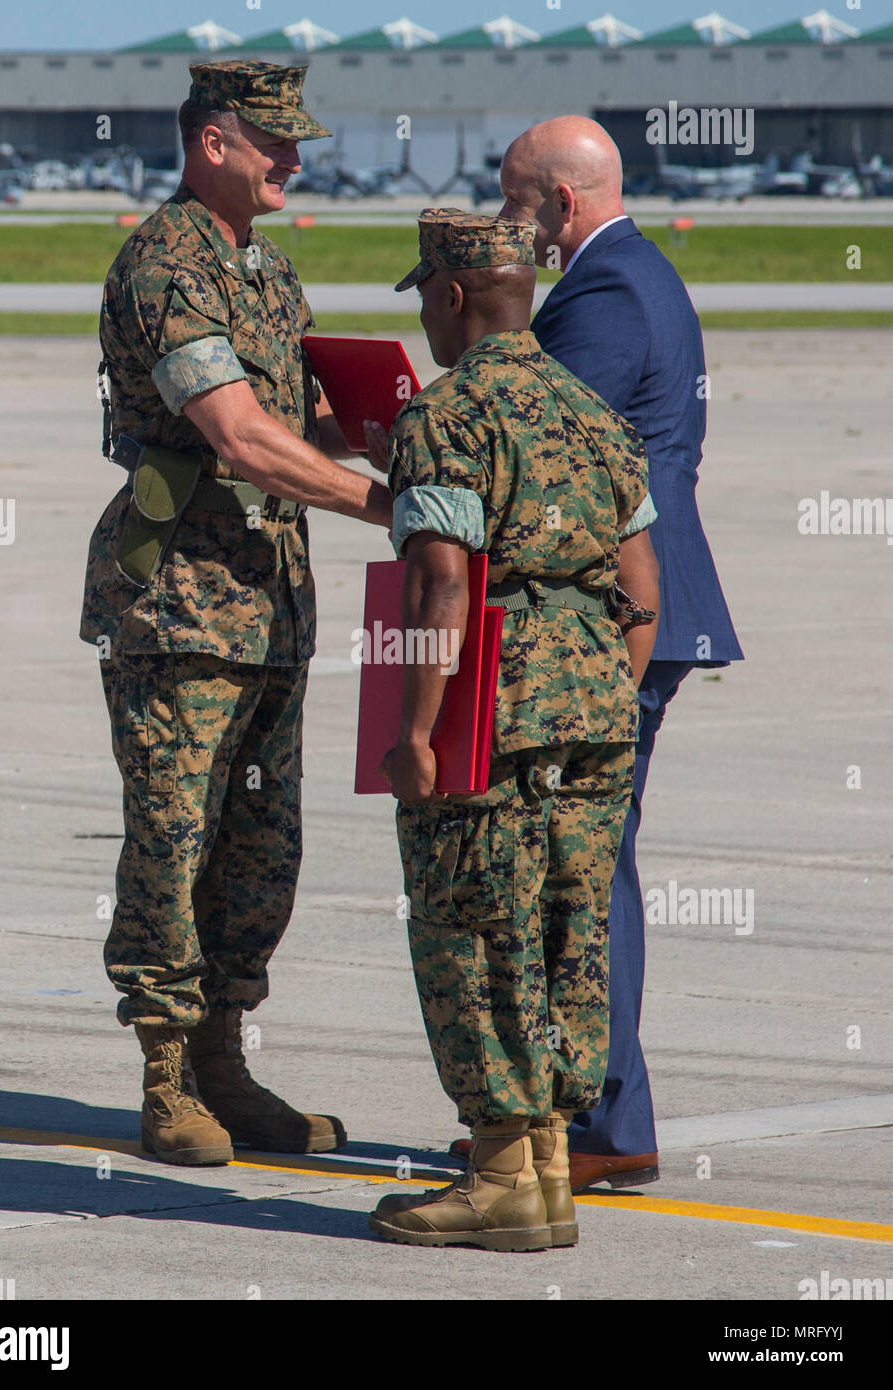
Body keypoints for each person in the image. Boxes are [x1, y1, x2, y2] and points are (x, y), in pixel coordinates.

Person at [80, 59, 392, 1166]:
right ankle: (167, 1073)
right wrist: (394, 504)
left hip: (266, 604)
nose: (296, 162)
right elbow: (242, 434)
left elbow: (301, 412)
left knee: (260, 848)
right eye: (276, 144)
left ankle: (225, 1055)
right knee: (174, 839)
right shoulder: (168, 263)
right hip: (179, 605)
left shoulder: (262, 267)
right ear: (213, 143)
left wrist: (411, 426)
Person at [363, 209, 659, 1250]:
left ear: (450, 299)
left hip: (497, 709)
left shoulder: (447, 414)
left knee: (476, 930)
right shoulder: (595, 414)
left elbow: (443, 583)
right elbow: (644, 590)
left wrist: (414, 734)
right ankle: (545, 1171)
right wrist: (603, 699)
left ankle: (498, 1174)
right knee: (568, 933)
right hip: (595, 712)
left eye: (427, 302)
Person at [498, 116, 744, 1192]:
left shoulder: (603, 292)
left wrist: (415, 433)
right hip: (649, 606)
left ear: (560, 200)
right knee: (598, 861)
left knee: (584, 866)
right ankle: (606, 1113)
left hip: (621, 616)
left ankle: (601, 1118)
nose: (509, 222)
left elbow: (542, 443)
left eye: (513, 200)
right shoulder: (643, 271)